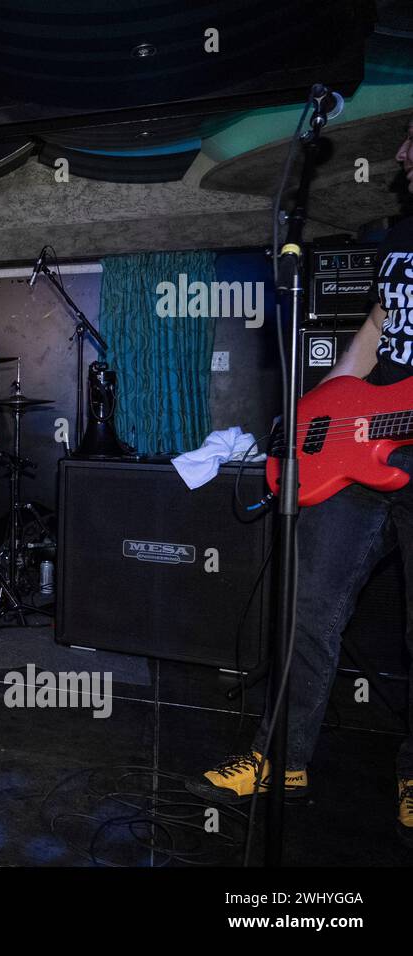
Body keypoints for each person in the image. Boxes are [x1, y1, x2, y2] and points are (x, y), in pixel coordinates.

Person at [187, 115, 413, 845]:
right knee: (312, 608)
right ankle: (281, 761)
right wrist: (323, 408)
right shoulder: (403, 232)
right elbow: (382, 325)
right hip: (363, 443)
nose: (403, 151)